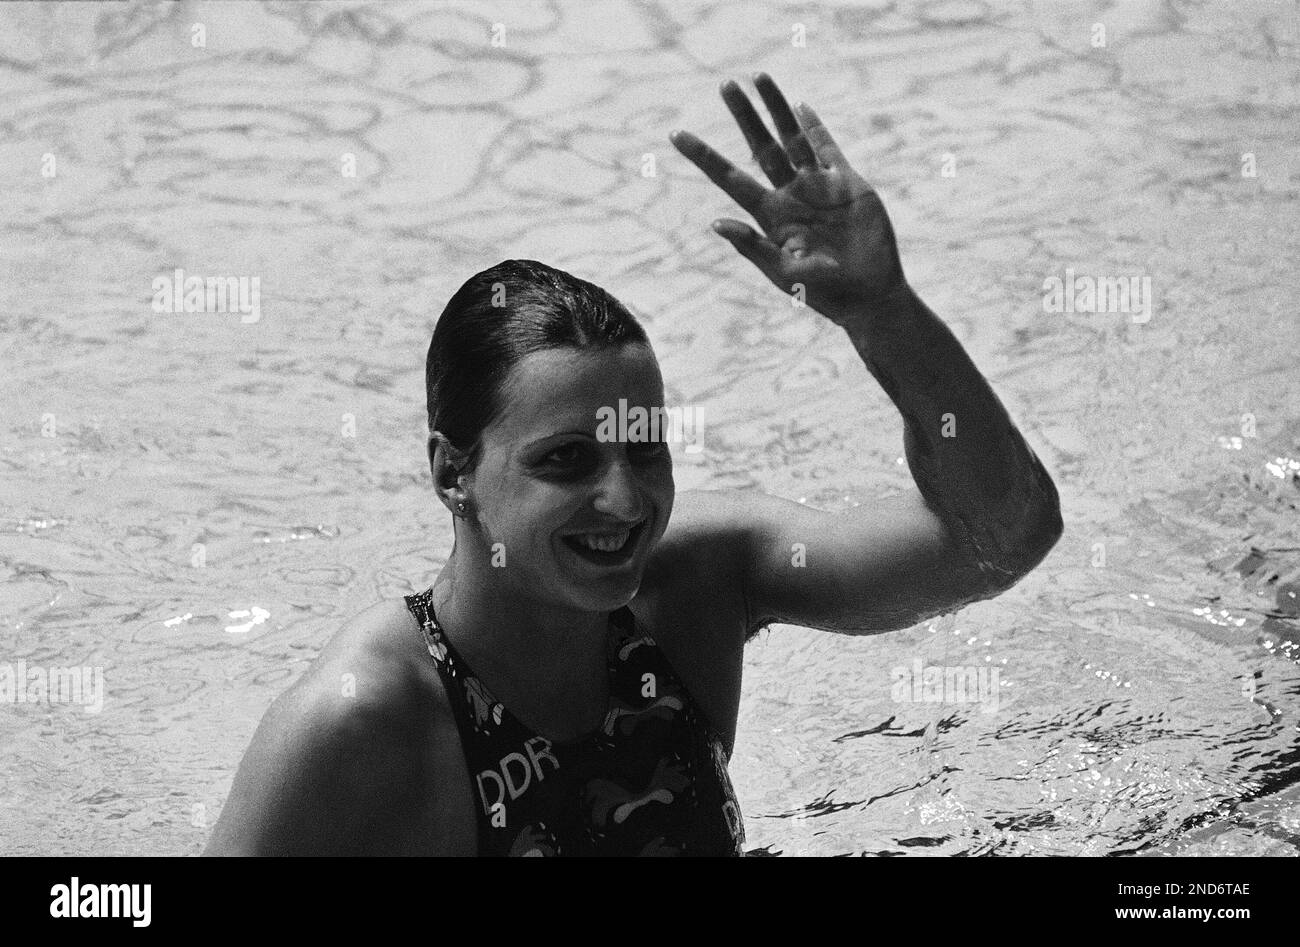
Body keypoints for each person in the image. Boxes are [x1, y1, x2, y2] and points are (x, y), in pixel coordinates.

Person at [204, 73, 1062, 857]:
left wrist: (884, 313)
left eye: (644, 447)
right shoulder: (360, 726)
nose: (623, 500)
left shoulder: (695, 581)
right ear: (451, 473)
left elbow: (1001, 537)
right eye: (566, 460)